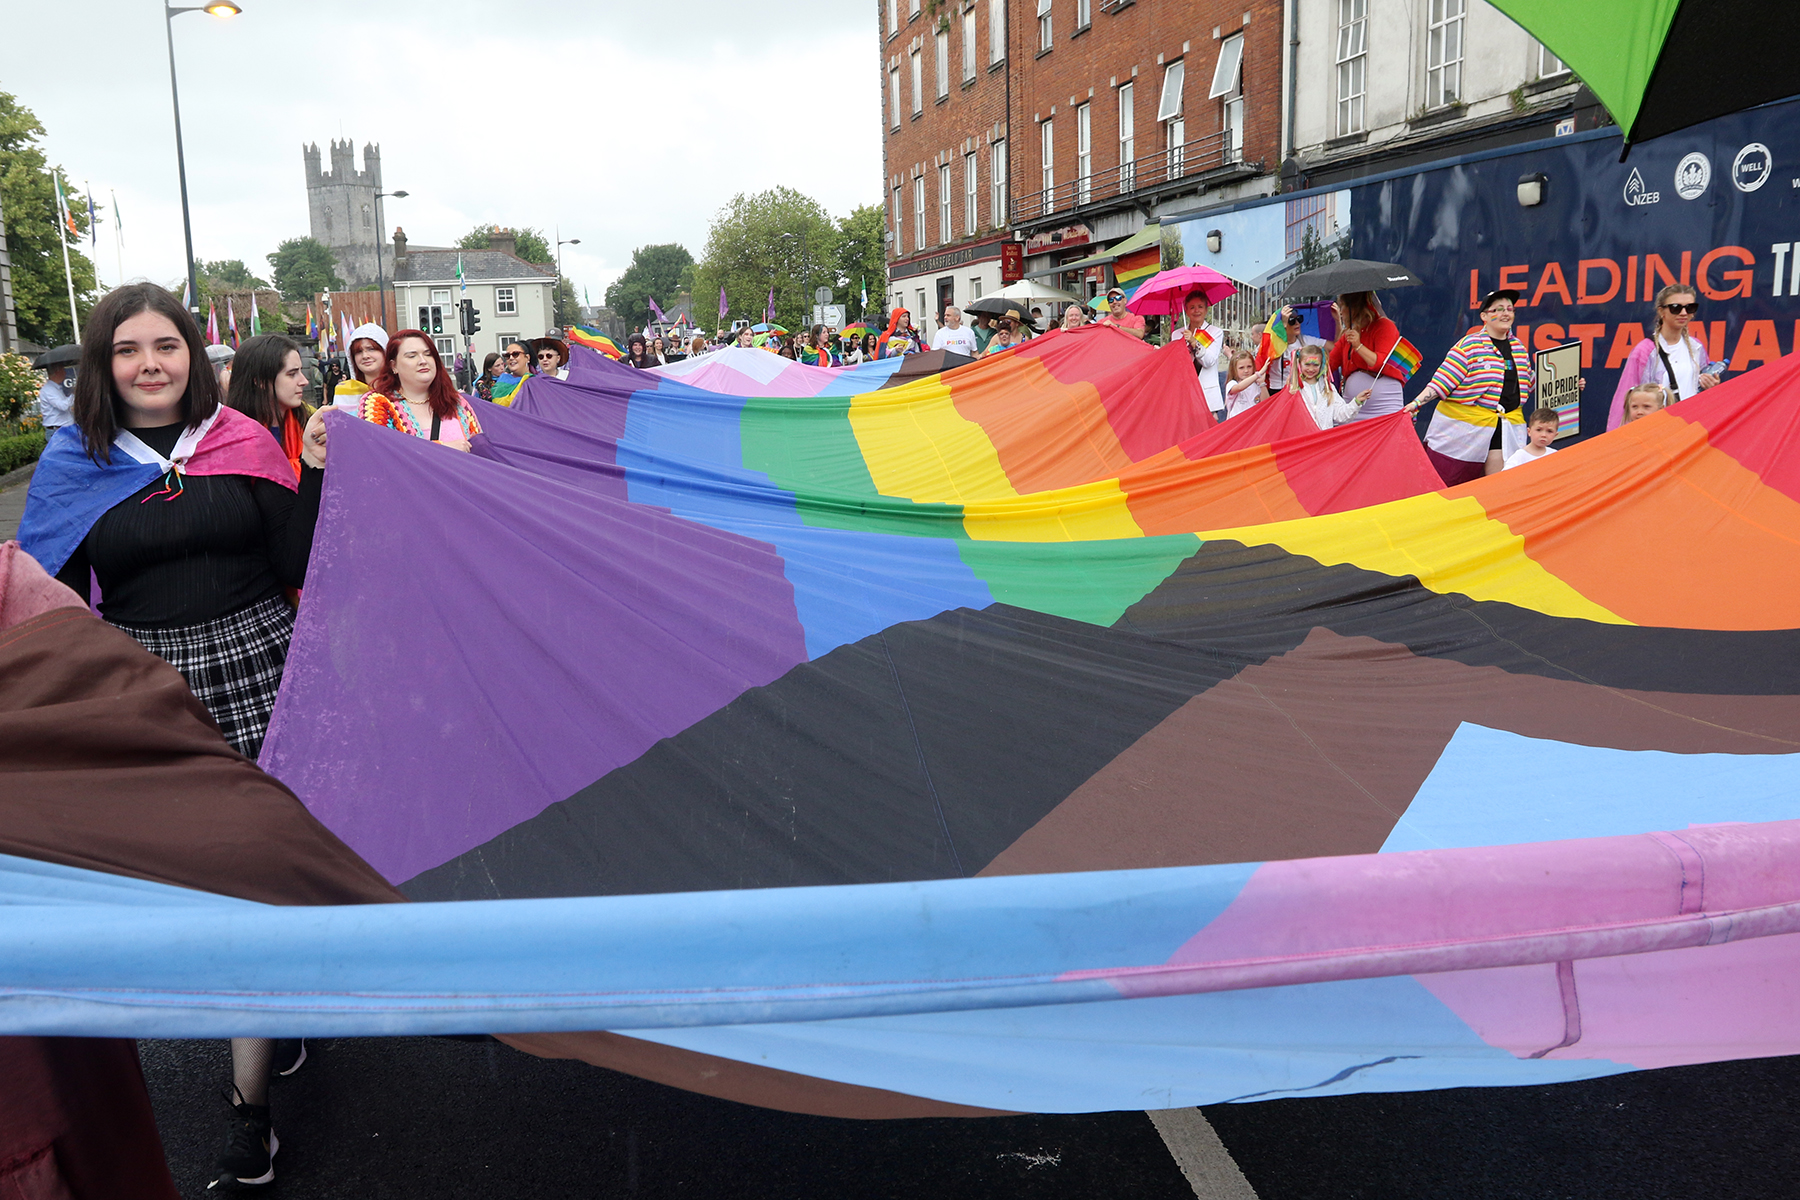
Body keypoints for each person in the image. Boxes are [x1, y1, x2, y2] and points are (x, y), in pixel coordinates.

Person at [15, 282, 328, 1189]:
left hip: (267, 670)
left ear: (194, 356)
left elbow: (301, 565)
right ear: (102, 366)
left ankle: (249, 1112)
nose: (150, 364)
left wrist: (310, 468)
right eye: (127, 349)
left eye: (167, 346)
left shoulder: (242, 442)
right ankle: (271, 1021)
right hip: (145, 688)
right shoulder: (73, 464)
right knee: (203, 887)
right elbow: (43, 601)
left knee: (259, 877)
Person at [1410, 289, 1533, 480]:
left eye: (1510, 309)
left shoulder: (1519, 348)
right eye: (1497, 310)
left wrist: (1571, 382)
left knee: (1498, 486)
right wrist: (1416, 403)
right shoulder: (1469, 346)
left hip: (1505, 428)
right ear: (1484, 316)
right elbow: (1442, 382)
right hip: (1464, 432)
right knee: (1451, 486)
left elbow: (1528, 383)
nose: (1505, 314)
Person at [1606, 284, 1720, 430]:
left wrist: (1711, 385)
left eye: (1690, 307)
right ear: (1661, 311)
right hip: (1657, 431)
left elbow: (1701, 391)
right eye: (1675, 307)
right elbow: (1626, 397)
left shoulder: (1696, 347)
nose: (1684, 313)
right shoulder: (1645, 350)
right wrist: (1618, 439)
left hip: (1690, 428)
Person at [355, 330, 483, 451]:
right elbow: (379, 453)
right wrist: (443, 449)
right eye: (412, 356)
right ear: (394, 366)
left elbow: (480, 451)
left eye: (428, 354)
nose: (423, 361)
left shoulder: (457, 402)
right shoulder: (376, 403)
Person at [226, 333, 312, 478]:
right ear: (260, 381)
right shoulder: (231, 443)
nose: (304, 381)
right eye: (292, 374)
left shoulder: (311, 427)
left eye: (300, 371)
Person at [1327, 292, 1408, 421]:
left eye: (1342, 306)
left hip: (1384, 406)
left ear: (1353, 307)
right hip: (1353, 407)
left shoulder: (1385, 326)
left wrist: (1358, 346)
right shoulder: (1347, 335)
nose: (1340, 312)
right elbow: (1329, 364)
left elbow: (1381, 363)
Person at [1170, 289, 1226, 422]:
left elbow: (1209, 361)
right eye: (1192, 307)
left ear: (1206, 310)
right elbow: (1176, 365)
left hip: (1207, 396)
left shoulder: (1215, 332)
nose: (1196, 311)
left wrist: (1195, 343)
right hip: (1184, 394)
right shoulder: (1177, 334)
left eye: (1200, 307)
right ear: (1186, 310)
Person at [1287, 343, 1363, 429]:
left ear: (1322, 365)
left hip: (1325, 439)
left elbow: (1341, 415)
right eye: (1307, 364)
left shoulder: (1328, 388)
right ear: (1299, 364)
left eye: (1315, 365)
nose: (1311, 369)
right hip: (1303, 440)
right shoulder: (1292, 389)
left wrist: (1357, 402)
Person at [331, 324, 389, 409]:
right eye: (358, 352)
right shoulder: (344, 393)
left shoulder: (401, 389)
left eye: (371, 349)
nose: (365, 356)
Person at [33, 353, 75, 430]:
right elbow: (63, 406)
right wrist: (74, 394)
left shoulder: (55, 388)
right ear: (57, 372)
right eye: (63, 370)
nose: (65, 373)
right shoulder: (48, 390)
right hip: (58, 430)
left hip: (63, 428)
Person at [1224, 349, 1269, 418]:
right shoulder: (1232, 383)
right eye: (1241, 368)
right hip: (1236, 422)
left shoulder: (1256, 384)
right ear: (1234, 369)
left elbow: (1266, 403)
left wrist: (1262, 383)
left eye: (1249, 367)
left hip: (1254, 421)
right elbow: (1239, 387)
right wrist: (1258, 374)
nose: (1246, 370)